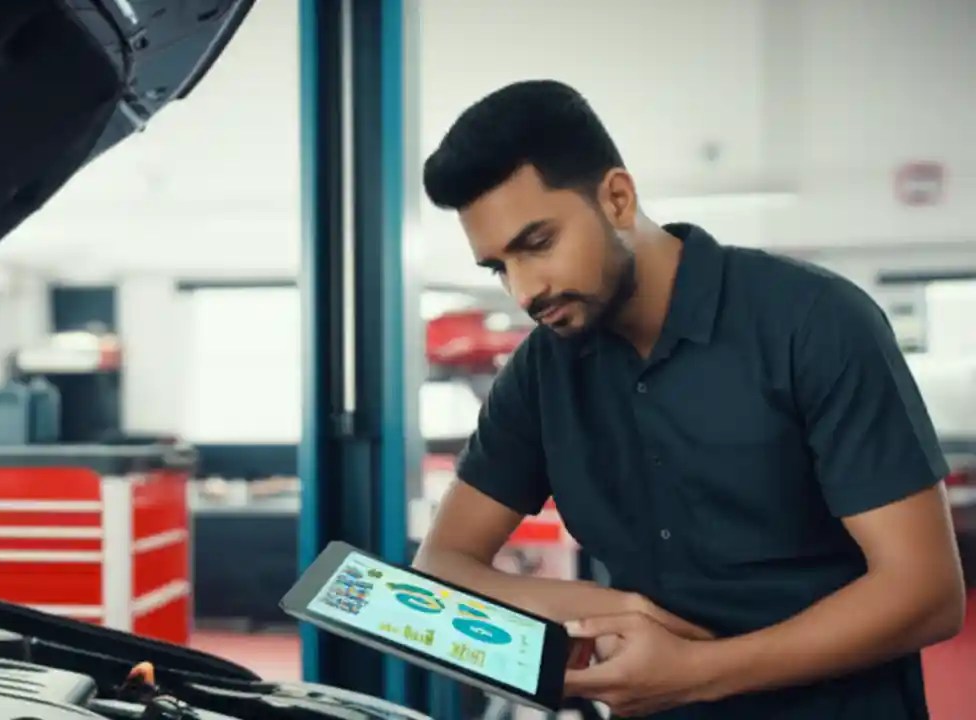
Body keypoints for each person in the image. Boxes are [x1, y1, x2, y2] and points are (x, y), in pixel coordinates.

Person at [414, 80, 966, 719]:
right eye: (498, 267)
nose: (524, 290)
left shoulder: (813, 322)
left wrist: (696, 674)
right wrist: (602, 608)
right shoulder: (542, 370)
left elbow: (925, 591)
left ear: (617, 198)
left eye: (537, 244)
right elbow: (443, 564)